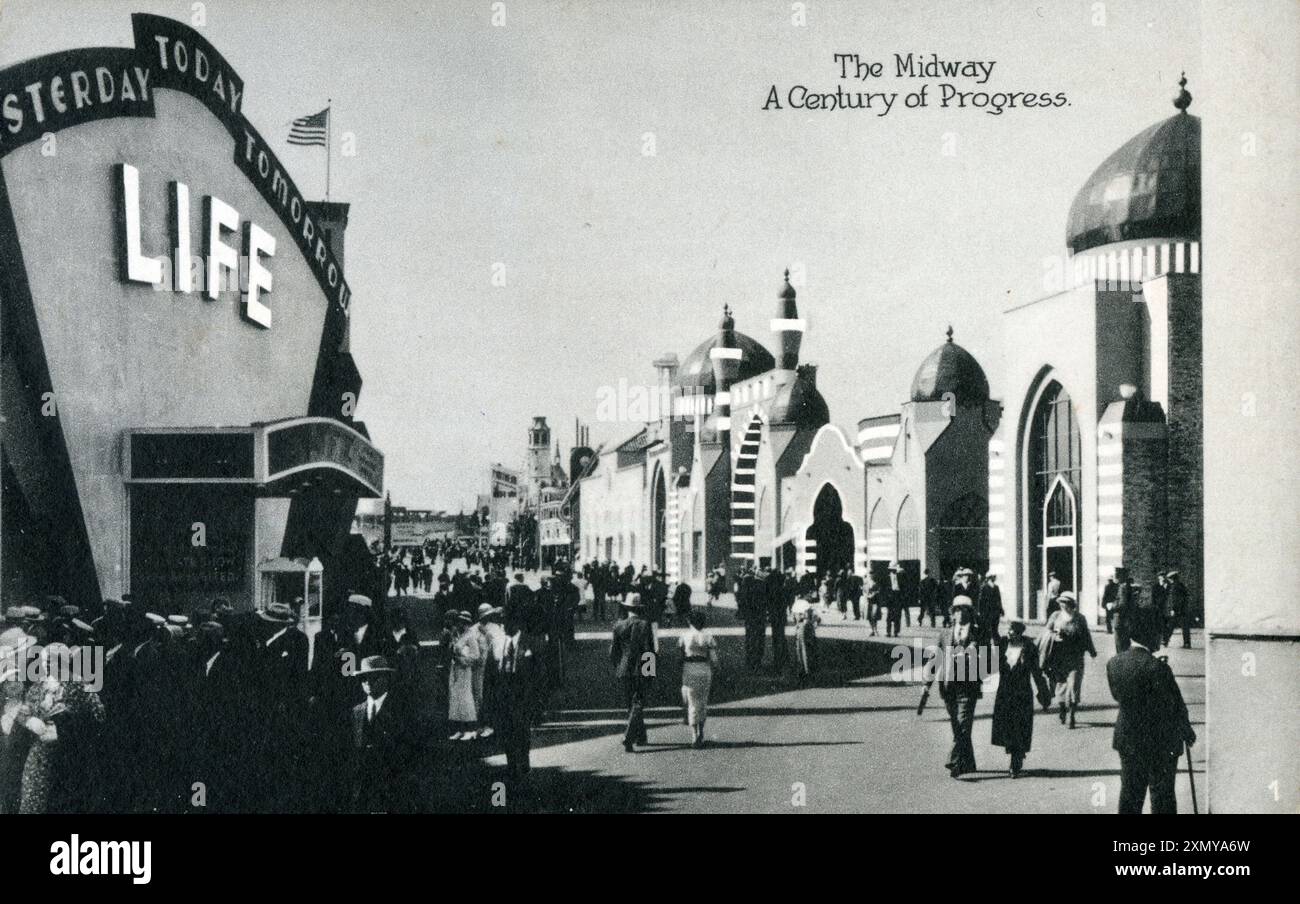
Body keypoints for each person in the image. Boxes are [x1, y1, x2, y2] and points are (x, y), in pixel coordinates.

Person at [1107, 620, 1196, 814]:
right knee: (1162, 797)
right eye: (1158, 635)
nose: (1160, 639)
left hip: (1128, 738)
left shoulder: (1114, 663)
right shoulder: (1158, 668)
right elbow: (1173, 704)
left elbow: (1118, 695)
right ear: (1150, 637)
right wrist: (1186, 731)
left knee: (1130, 794)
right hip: (1160, 741)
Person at [924, 596, 984, 778]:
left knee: (963, 724)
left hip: (968, 687)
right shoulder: (945, 634)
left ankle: (954, 761)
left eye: (963, 610)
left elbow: (988, 659)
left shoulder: (978, 633)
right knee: (957, 726)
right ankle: (969, 762)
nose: (959, 613)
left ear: (970, 613)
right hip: (948, 687)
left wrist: (974, 656)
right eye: (956, 610)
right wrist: (927, 684)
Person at [991, 621, 1052, 777]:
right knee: (1007, 728)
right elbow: (989, 664)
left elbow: (1037, 673)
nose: (1010, 634)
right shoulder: (1003, 645)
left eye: (1013, 632)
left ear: (1020, 634)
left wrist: (1043, 693)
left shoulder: (1029, 648)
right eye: (1009, 631)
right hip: (1005, 694)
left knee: (1019, 728)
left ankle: (1015, 761)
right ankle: (1016, 754)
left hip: (1022, 695)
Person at [350, 656, 410, 813]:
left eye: (374, 677)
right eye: (363, 678)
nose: (368, 682)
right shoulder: (357, 711)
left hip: (391, 787)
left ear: (386, 678)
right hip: (362, 788)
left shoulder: (400, 710)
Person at [490, 611, 544, 784]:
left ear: (516, 624)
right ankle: (511, 765)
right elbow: (493, 672)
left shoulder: (531, 644)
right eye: (502, 623)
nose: (503, 627)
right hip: (504, 695)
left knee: (521, 731)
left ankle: (524, 762)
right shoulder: (499, 643)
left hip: (523, 696)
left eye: (506, 623)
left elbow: (540, 675)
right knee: (506, 731)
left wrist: (537, 702)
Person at [1037, 592, 1097, 729]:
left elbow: (1086, 636)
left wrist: (1092, 651)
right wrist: (1054, 636)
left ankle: (1072, 715)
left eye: (1065, 602)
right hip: (1058, 658)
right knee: (1060, 685)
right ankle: (1063, 707)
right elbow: (1046, 632)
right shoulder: (1055, 616)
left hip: (1076, 657)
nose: (1062, 605)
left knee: (1074, 685)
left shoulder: (1080, 618)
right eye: (1061, 602)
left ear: (1071, 604)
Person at [610, 593, 655, 752]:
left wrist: (618, 667)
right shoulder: (645, 625)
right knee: (639, 702)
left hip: (624, 668)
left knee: (631, 703)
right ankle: (629, 737)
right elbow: (649, 651)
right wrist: (650, 672)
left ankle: (641, 736)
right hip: (642, 667)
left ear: (627, 608)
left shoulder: (619, 625)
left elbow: (613, 652)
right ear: (639, 608)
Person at [678, 609, 720, 748]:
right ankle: (701, 732)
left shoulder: (684, 636)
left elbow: (680, 656)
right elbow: (713, 658)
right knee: (703, 702)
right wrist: (717, 668)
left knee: (692, 702)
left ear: (689, 621)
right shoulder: (708, 636)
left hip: (689, 668)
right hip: (704, 669)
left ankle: (694, 735)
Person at [447, 611, 481, 740]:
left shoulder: (470, 636)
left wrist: (464, 660)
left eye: (463, 622)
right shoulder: (458, 635)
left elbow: (476, 655)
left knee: (466, 697)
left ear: (467, 623)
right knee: (455, 697)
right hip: (455, 668)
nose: (460, 624)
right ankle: (459, 728)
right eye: (459, 621)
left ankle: (470, 728)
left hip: (465, 669)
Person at [792, 594, 820, 685]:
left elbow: (794, 619)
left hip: (799, 630)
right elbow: (816, 618)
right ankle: (808, 671)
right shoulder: (808, 607)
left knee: (800, 650)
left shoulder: (796, 605)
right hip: (807, 629)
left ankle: (802, 671)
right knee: (808, 650)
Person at [1165, 571, 1191, 649]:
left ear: (1172, 578)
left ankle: (1165, 641)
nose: (1169, 580)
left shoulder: (1174, 587)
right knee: (1185, 627)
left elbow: (1174, 599)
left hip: (1177, 610)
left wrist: (1173, 609)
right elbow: (1185, 598)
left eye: (1169, 578)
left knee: (1170, 626)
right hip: (1183, 610)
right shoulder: (1181, 585)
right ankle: (1187, 643)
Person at [977, 573, 1004, 645]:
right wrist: (980, 611)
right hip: (986, 612)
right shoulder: (984, 587)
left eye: (995, 576)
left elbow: (999, 599)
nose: (994, 578)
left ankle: (997, 646)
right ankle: (987, 646)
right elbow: (981, 600)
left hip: (995, 612)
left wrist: (1001, 609)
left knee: (995, 629)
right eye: (993, 576)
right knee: (987, 630)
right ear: (989, 577)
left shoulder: (996, 587)